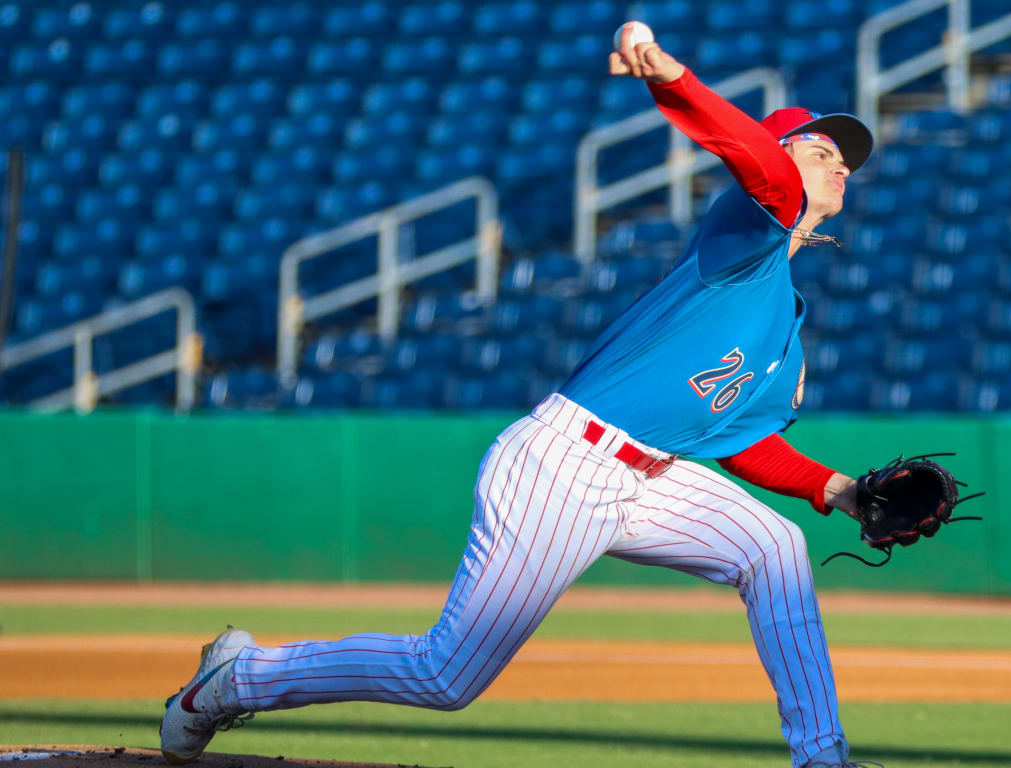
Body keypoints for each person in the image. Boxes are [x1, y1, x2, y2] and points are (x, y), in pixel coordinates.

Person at [161, 29, 881, 768]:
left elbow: (736, 438)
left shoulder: (782, 320)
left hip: (654, 475)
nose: (840, 168)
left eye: (847, 161)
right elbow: (755, 162)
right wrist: (671, 77)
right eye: (820, 149)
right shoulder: (746, 232)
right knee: (444, 676)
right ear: (781, 157)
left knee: (775, 546)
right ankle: (237, 679)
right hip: (566, 465)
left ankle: (822, 758)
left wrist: (840, 489)